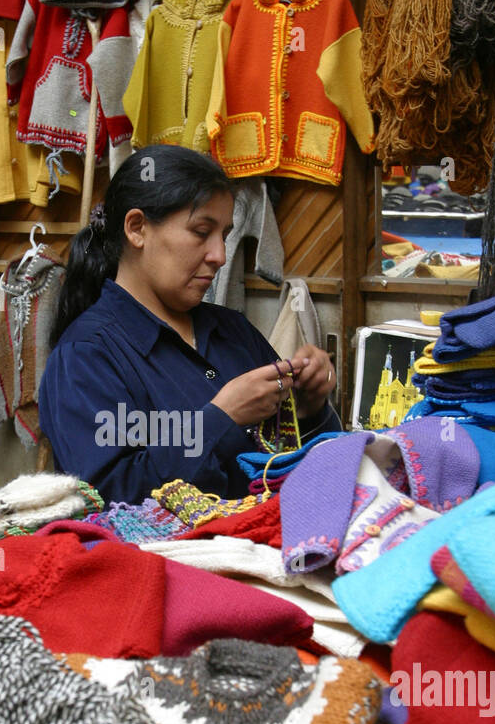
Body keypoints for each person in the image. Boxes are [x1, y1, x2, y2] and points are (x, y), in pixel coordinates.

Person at [39, 145, 340, 504]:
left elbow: (292, 464)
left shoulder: (233, 331)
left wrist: (308, 408)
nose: (220, 255)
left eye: (224, 235)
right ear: (137, 229)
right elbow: (106, 497)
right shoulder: (86, 356)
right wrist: (219, 419)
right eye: (201, 232)